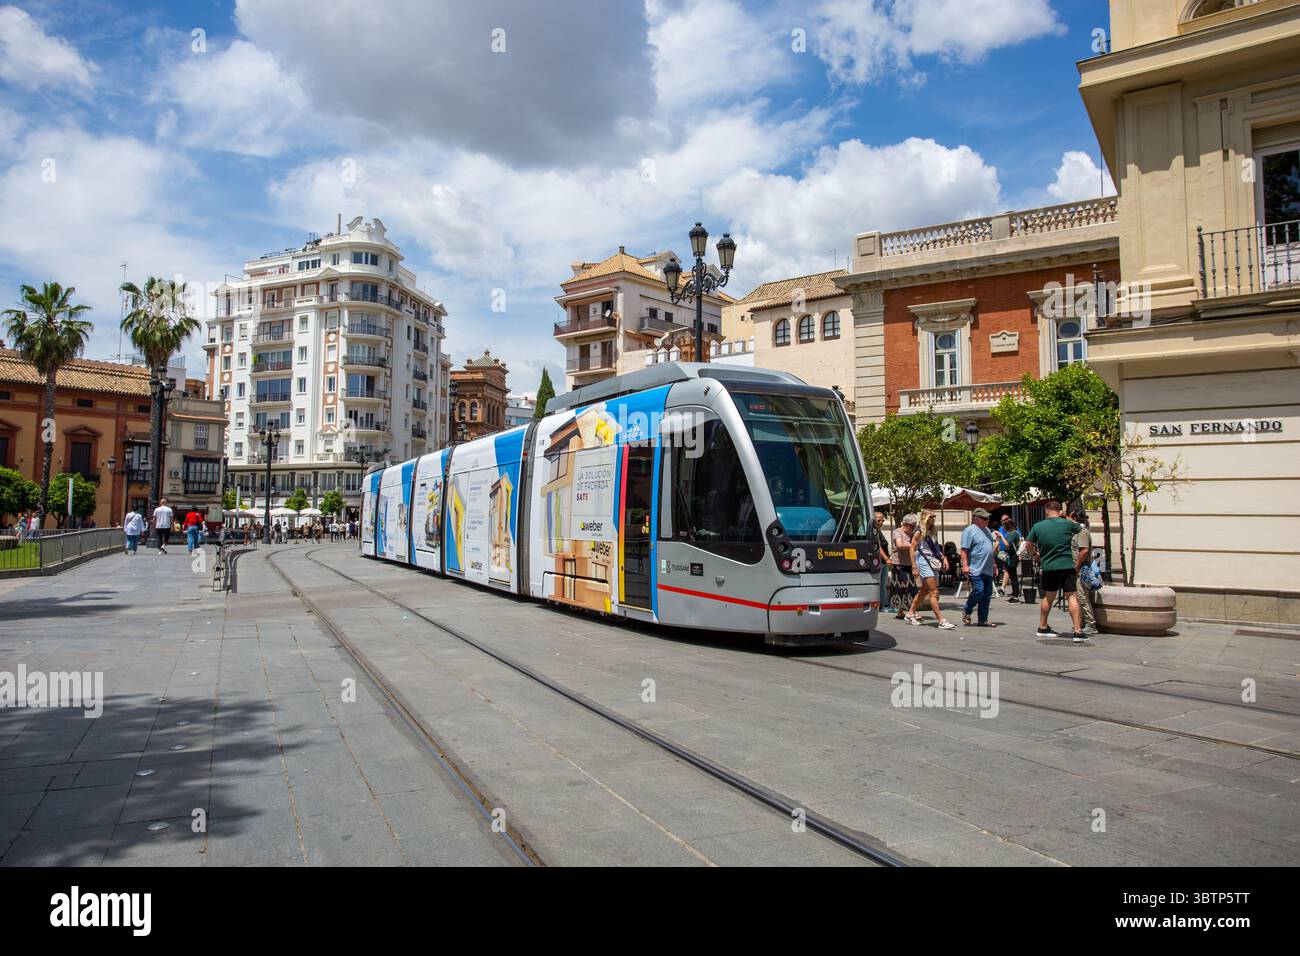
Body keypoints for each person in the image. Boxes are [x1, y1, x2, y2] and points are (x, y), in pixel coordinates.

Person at [1025, 500, 1086, 642]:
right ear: (1059, 511)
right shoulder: (1067, 523)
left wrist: (1035, 555)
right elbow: (1080, 527)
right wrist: (1066, 517)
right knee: (1071, 596)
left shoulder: (1038, 526)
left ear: (1046, 511)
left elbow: (1028, 544)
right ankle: (1077, 631)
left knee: (1048, 597)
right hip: (1067, 565)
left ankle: (1043, 626)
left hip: (1049, 567)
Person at [905, 510, 955, 629]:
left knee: (924, 590)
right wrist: (914, 566)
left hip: (932, 562)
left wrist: (944, 559)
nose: (933, 518)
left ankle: (910, 612)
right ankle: (941, 620)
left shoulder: (932, 531)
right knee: (934, 592)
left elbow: (936, 548)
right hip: (923, 562)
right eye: (931, 516)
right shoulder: (918, 531)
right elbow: (912, 549)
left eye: (934, 516)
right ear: (925, 517)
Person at [960, 508, 999, 627]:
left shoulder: (987, 530)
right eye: (985, 518)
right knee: (979, 590)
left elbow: (989, 549)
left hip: (987, 568)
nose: (988, 520)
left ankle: (983, 619)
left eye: (988, 518)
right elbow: (964, 549)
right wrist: (965, 565)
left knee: (987, 594)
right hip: (975, 568)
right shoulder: (969, 530)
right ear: (976, 519)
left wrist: (994, 564)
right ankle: (967, 610)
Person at [1069, 509, 1100, 636]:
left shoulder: (1081, 532)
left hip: (1081, 569)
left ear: (1075, 518)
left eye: (1070, 517)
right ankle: (1081, 622)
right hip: (1078, 568)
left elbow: (1084, 551)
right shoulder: (1077, 531)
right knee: (1077, 596)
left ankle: (1090, 623)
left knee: (1082, 597)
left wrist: (1076, 567)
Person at [891, 513, 918, 619]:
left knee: (910, 588)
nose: (913, 528)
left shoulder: (912, 533)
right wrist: (913, 546)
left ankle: (906, 611)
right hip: (899, 565)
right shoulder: (897, 532)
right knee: (901, 589)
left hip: (908, 564)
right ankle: (905, 611)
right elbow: (900, 545)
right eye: (912, 525)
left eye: (914, 525)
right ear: (906, 524)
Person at [994, 515, 1023, 603]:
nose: (1003, 528)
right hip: (1010, 557)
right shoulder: (1012, 533)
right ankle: (1014, 595)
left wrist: (1001, 536)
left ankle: (1016, 597)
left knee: (1013, 577)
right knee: (1012, 575)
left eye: (1004, 527)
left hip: (1013, 557)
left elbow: (1007, 544)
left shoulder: (1013, 533)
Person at [872, 511, 891, 611]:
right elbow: (878, 547)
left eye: (882, 520)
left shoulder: (878, 531)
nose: (881, 522)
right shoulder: (874, 531)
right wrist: (887, 559)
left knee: (883, 584)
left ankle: (883, 605)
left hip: (883, 562)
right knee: (880, 584)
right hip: (880, 562)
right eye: (879, 520)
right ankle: (884, 605)